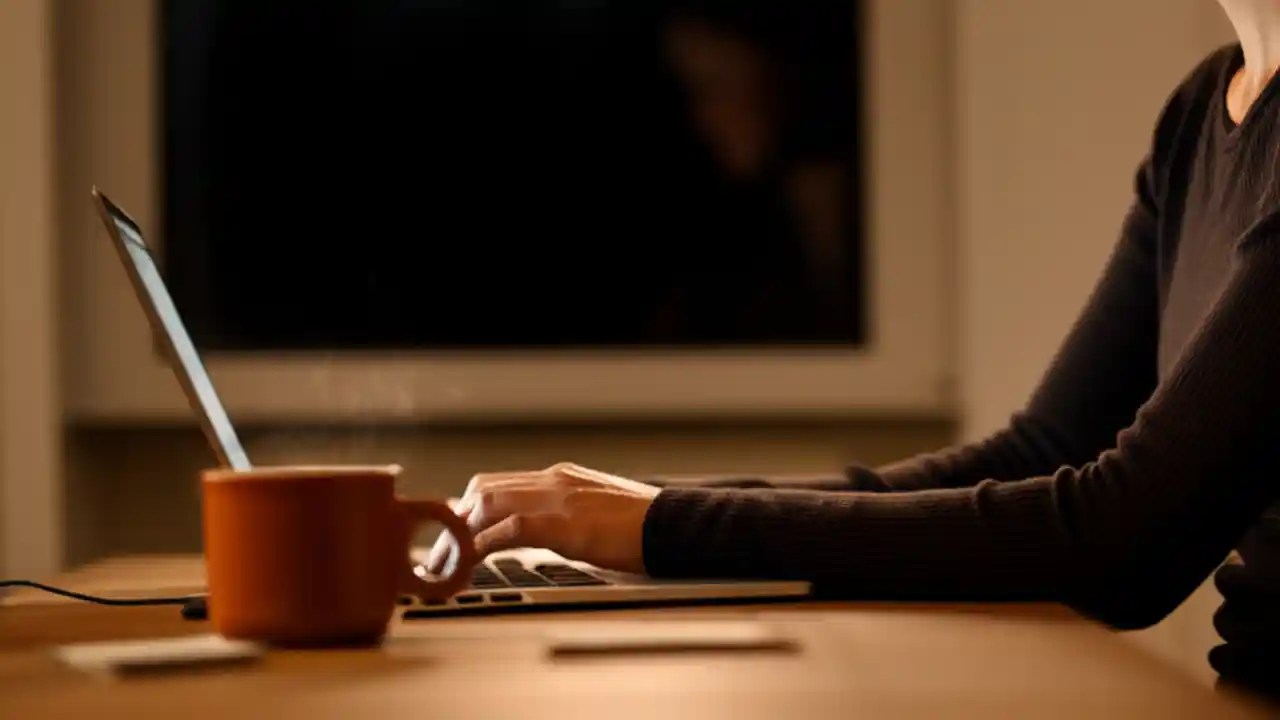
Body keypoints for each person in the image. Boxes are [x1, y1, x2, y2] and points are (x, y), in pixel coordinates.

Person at [428, 0, 1280, 695]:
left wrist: (664, 525)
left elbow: (1122, 542)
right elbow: (1046, 452)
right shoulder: (1204, 109)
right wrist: (627, 510)